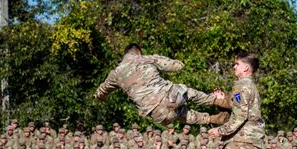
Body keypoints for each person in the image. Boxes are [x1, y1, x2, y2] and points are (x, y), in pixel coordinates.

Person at [94, 43, 230, 125]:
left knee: (182, 114)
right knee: (187, 92)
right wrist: (169, 61)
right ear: (138, 52)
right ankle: (220, 101)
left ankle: (215, 119)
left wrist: (100, 98)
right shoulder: (146, 59)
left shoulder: (115, 74)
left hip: (158, 116)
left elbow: (101, 91)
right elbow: (178, 66)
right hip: (169, 98)